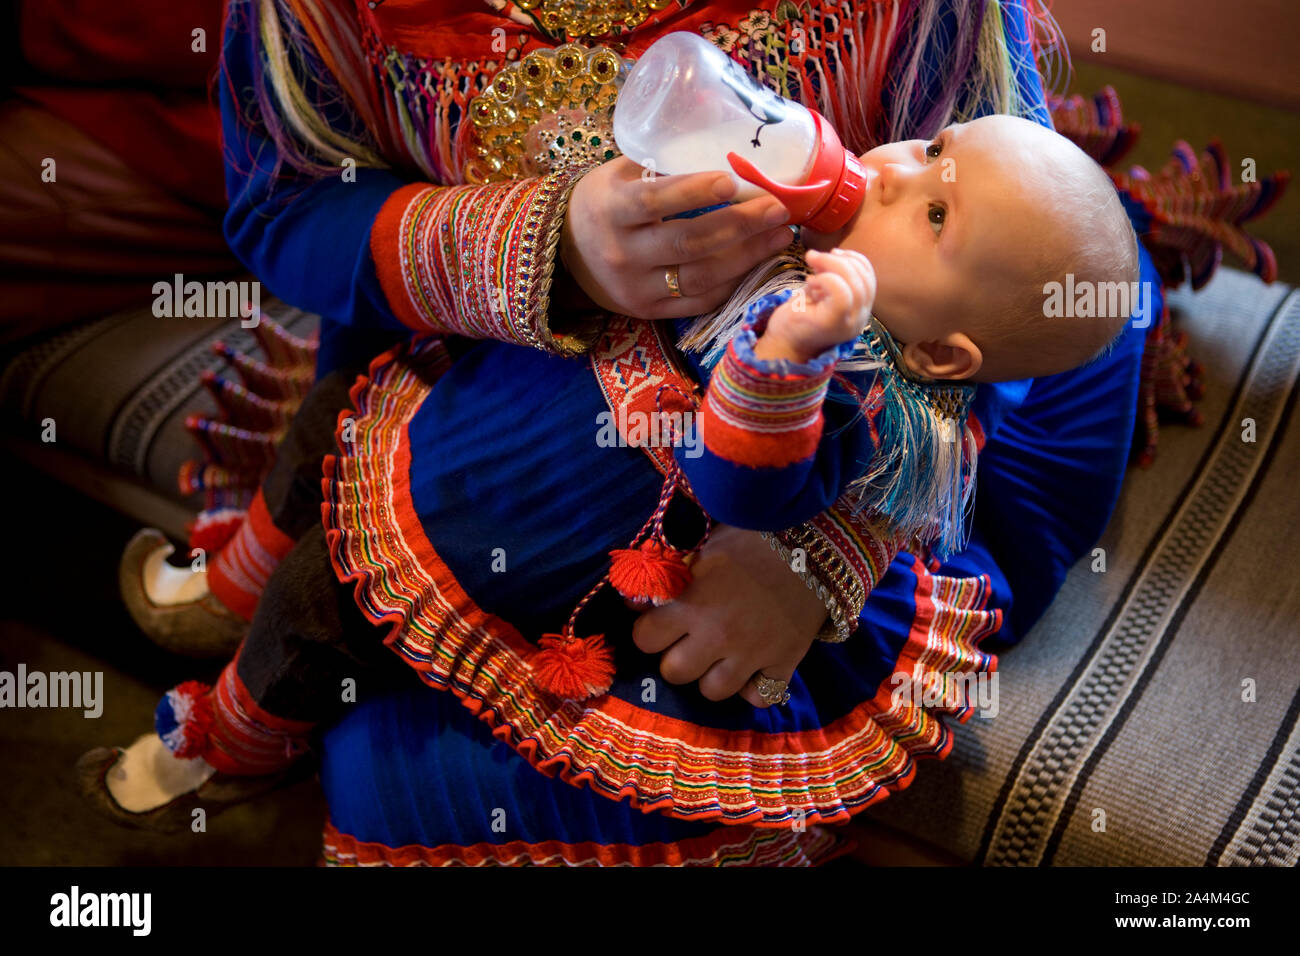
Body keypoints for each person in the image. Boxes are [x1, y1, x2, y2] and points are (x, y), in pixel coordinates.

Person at [84, 0, 1157, 865]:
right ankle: (231, 600)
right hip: (476, 391)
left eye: (927, 194)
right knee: (338, 523)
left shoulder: (862, 331)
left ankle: (237, 708)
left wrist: (819, 558)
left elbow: (1020, 313)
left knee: (422, 744)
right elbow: (280, 204)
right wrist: (544, 247)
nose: (881, 166)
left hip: (703, 547)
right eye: (917, 149)